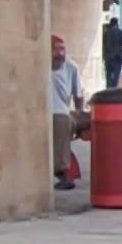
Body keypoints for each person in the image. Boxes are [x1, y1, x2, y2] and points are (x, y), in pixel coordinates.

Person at [51, 35, 85, 191]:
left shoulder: (71, 67)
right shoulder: (37, 67)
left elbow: (79, 96)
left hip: (66, 113)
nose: (59, 53)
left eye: (62, 49)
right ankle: (62, 171)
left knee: (97, 119)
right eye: (54, 49)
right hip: (52, 115)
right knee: (61, 122)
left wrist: (79, 113)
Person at [102, 17, 122, 88]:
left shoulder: (106, 33)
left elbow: (104, 45)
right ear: (117, 24)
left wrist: (104, 56)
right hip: (117, 57)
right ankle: (114, 88)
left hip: (108, 58)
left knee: (108, 74)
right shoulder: (120, 32)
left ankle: (108, 88)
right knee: (116, 75)